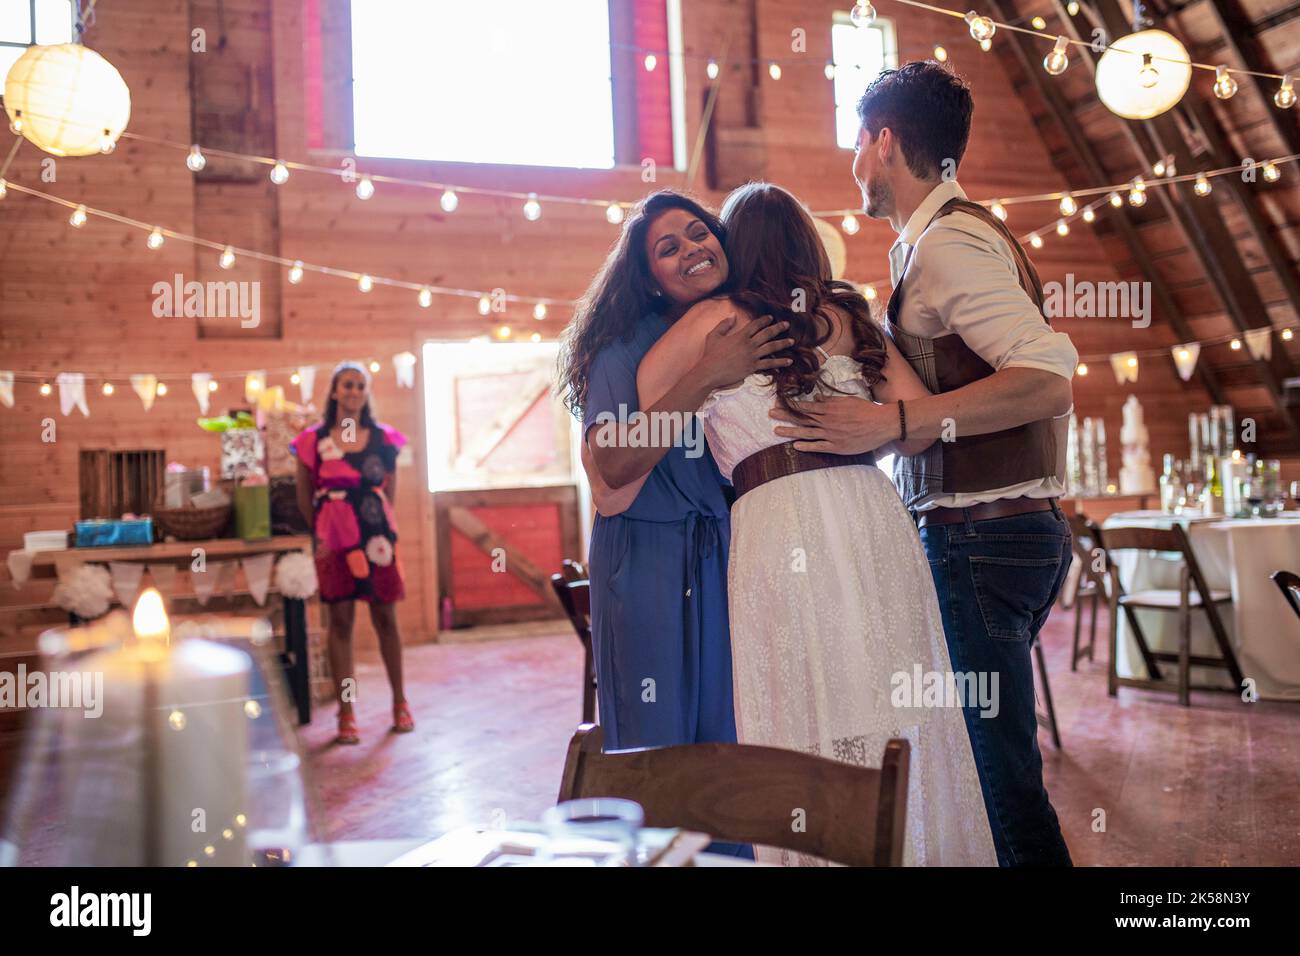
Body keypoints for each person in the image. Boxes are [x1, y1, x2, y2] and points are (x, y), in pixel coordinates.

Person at [770, 62, 1078, 866]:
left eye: (857, 148)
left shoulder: (948, 245)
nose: (853, 168)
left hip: (983, 539)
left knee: (998, 783)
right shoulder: (936, 244)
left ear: (884, 141)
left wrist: (897, 418)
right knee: (994, 770)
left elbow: (1047, 378)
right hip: (1004, 533)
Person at [637, 182, 996, 866]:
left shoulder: (711, 321)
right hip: (868, 513)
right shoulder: (848, 317)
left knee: (802, 687)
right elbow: (919, 427)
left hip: (776, 520)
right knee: (887, 680)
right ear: (807, 242)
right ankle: (911, 842)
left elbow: (650, 393)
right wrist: (862, 431)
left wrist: (708, 378)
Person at [556, 189, 792, 753]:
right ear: (649, 278)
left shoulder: (747, 322)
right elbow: (615, 463)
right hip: (646, 554)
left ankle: (721, 848)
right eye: (668, 247)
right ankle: (658, 844)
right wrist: (706, 375)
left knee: (726, 735)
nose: (691, 248)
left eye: (698, 232)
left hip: (725, 551)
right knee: (655, 740)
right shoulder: (622, 349)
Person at [293, 361, 413, 745]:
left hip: (377, 536)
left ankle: (400, 702)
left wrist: (376, 522)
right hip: (333, 539)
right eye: (347, 385)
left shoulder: (384, 438)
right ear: (333, 391)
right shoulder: (312, 440)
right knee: (340, 623)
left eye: (360, 386)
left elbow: (388, 492)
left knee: (386, 618)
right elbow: (303, 495)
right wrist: (325, 532)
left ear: (366, 393)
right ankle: (347, 712)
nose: (354, 392)